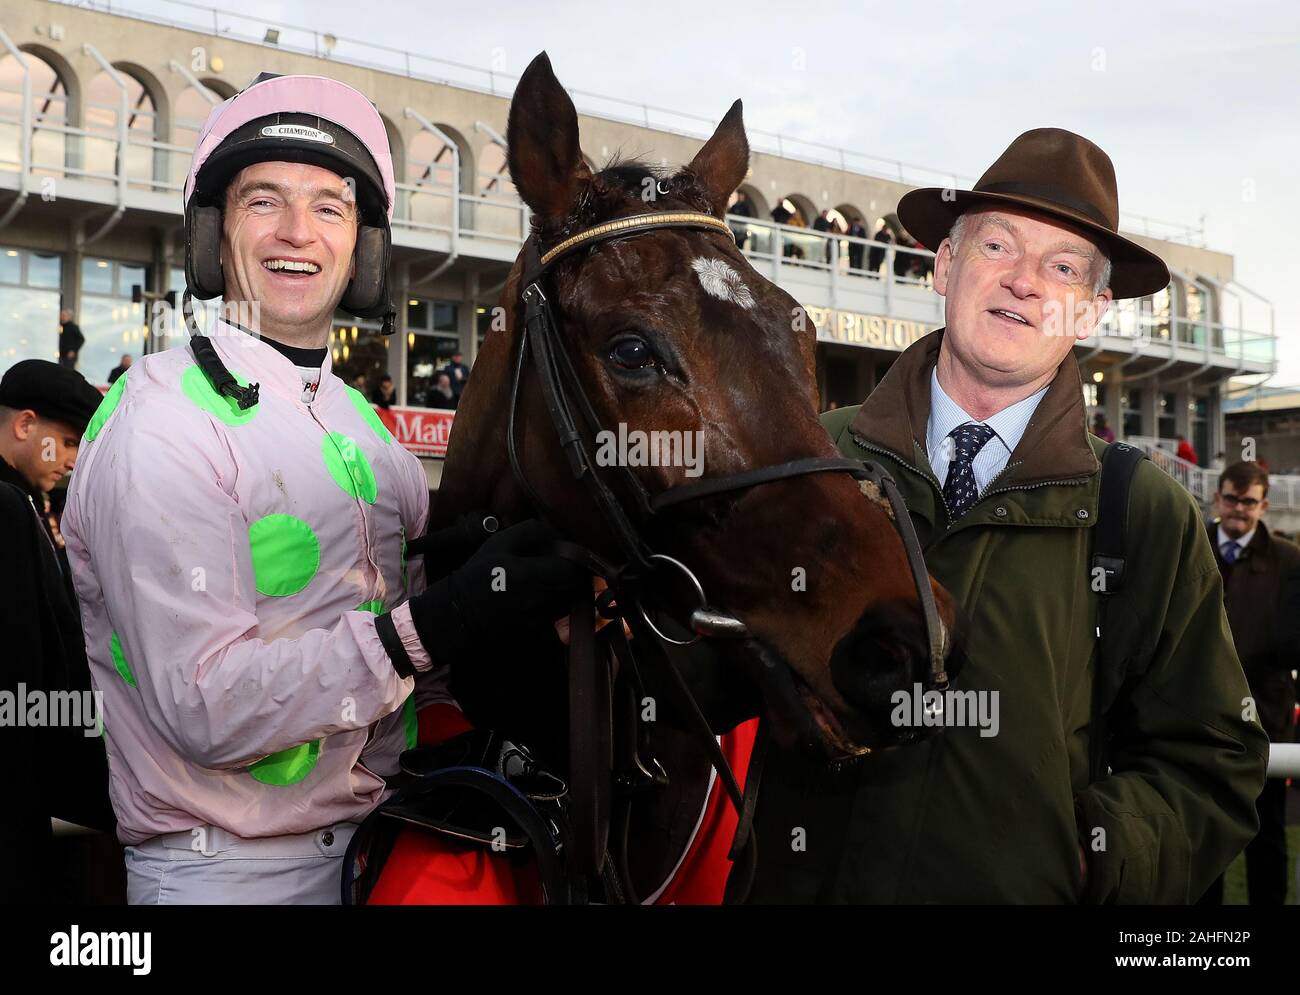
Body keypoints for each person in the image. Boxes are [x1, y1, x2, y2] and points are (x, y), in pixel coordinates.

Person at [61, 72, 587, 905]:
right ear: (215, 232)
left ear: (362, 247)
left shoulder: (371, 436)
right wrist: (427, 626)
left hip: (388, 849)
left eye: (330, 207)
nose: (297, 232)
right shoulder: (155, 420)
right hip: (228, 873)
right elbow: (206, 707)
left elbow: (432, 683)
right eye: (264, 201)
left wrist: (511, 611)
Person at [747, 128, 1266, 903]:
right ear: (946, 266)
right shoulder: (814, 458)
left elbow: (1214, 758)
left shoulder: (1142, 514)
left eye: (1062, 268)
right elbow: (690, 666)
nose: (1024, 281)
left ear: (1089, 312)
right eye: (998, 246)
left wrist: (1090, 853)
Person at [0, 360, 117, 904]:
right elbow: (22, 662)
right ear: (25, 425)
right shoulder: (6, 507)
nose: (72, 462)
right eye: (67, 443)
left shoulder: (20, 501)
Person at [1197, 462, 1300, 905]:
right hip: (1198, 719)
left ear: (1264, 505)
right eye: (1231, 499)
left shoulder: (1289, 560)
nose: (1239, 509)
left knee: (1266, 837)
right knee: (1203, 839)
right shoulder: (1191, 542)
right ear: (1218, 498)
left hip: (1266, 720)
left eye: (1248, 501)